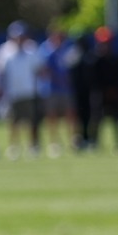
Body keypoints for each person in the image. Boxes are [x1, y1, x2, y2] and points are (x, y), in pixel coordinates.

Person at [0, 22, 48, 159]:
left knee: (32, 121)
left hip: (30, 91)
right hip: (12, 92)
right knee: (13, 121)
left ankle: (33, 146)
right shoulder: (4, 51)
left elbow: (40, 70)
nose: (19, 39)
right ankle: (14, 146)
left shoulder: (32, 49)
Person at [91, 27, 118, 153]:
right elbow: (93, 80)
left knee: (117, 120)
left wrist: (115, 91)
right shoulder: (95, 59)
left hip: (115, 93)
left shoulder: (117, 58)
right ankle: (94, 143)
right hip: (100, 94)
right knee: (97, 119)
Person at [39, 28, 73, 157]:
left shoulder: (66, 48)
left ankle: (72, 140)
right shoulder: (46, 50)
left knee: (70, 114)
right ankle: (54, 142)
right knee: (51, 116)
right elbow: (44, 69)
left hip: (65, 88)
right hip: (51, 89)